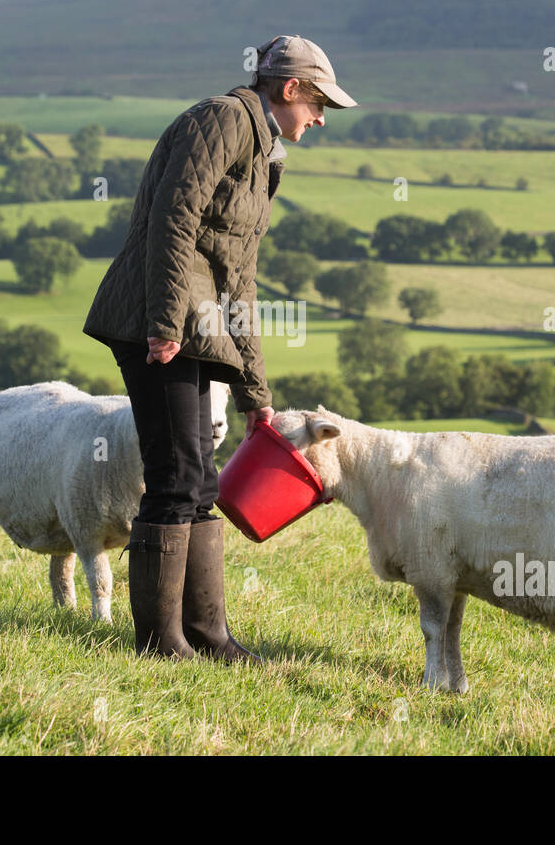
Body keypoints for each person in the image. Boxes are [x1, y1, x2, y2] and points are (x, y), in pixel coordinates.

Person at [82, 35, 357, 661]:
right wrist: (162, 324)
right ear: (290, 88)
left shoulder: (267, 155)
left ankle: (206, 635)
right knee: (176, 478)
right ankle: (160, 644)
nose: (320, 118)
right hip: (158, 321)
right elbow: (173, 219)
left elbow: (239, 273)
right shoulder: (225, 119)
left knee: (201, 480)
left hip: (195, 324)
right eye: (318, 104)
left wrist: (254, 393)